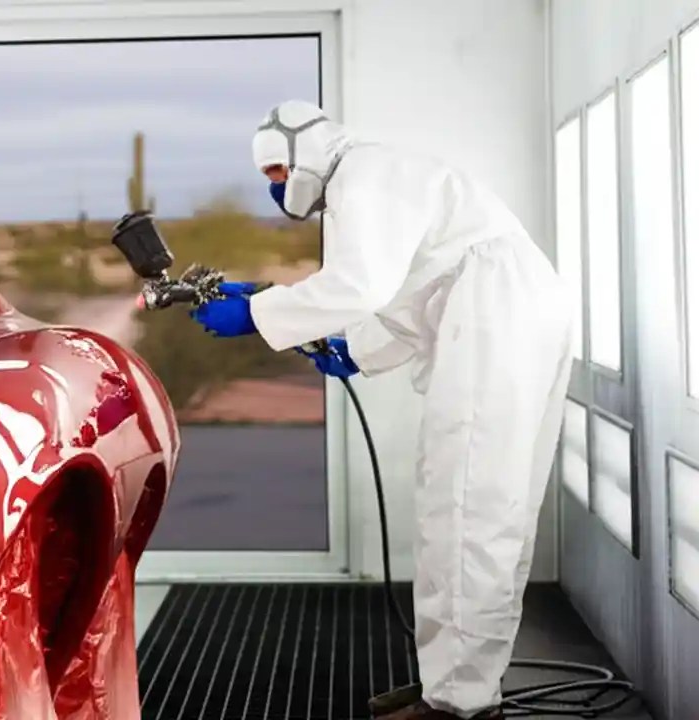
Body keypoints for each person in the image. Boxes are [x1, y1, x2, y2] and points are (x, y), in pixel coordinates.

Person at [190, 100, 574, 720]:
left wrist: (257, 312)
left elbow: (360, 286)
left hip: (498, 320)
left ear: (305, 152)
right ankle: (460, 685)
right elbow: (413, 289)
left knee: (466, 508)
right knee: (489, 508)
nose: (276, 189)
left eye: (277, 172)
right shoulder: (378, 177)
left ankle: (459, 704)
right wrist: (355, 350)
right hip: (511, 314)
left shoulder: (362, 176)